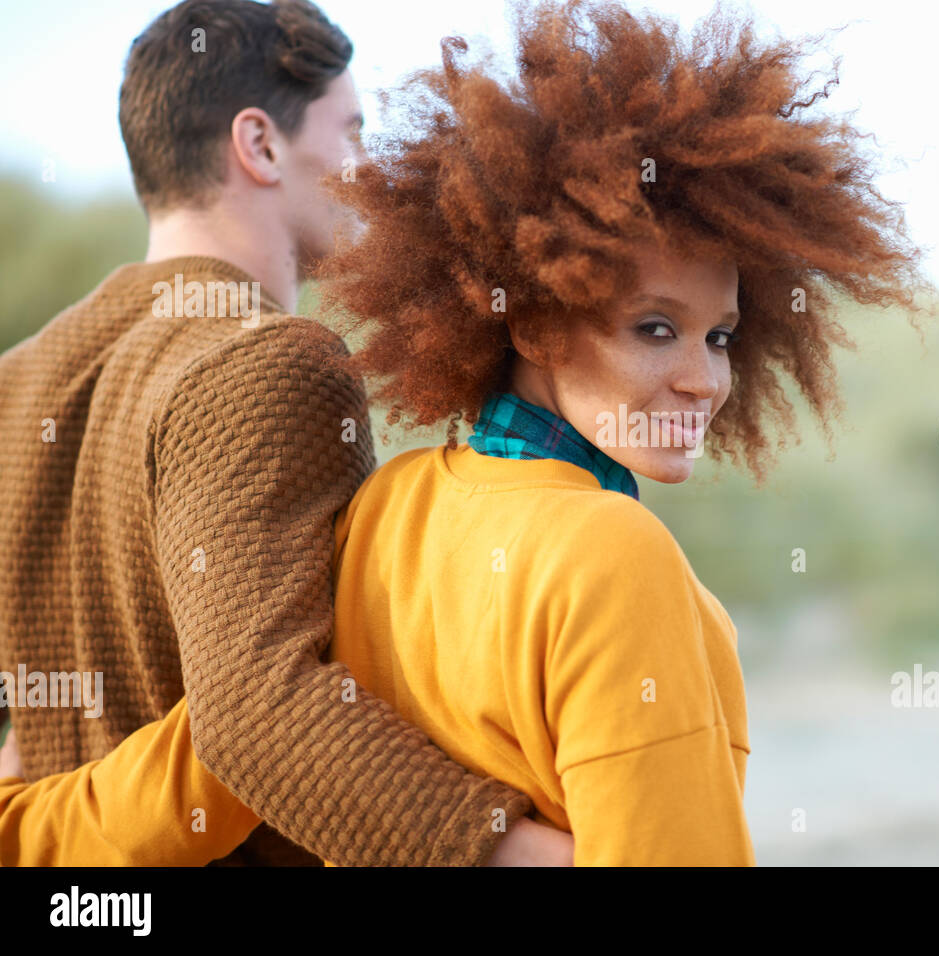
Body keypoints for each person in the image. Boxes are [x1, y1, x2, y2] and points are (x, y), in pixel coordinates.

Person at [309, 0, 925, 863]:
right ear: (533, 324)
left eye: (720, 336)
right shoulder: (611, 547)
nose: (705, 380)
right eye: (654, 328)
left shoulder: (391, 501)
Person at [0, 0, 571, 866]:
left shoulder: (18, 377)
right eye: (353, 131)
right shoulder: (272, 362)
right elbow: (260, 713)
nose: (370, 168)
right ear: (260, 144)